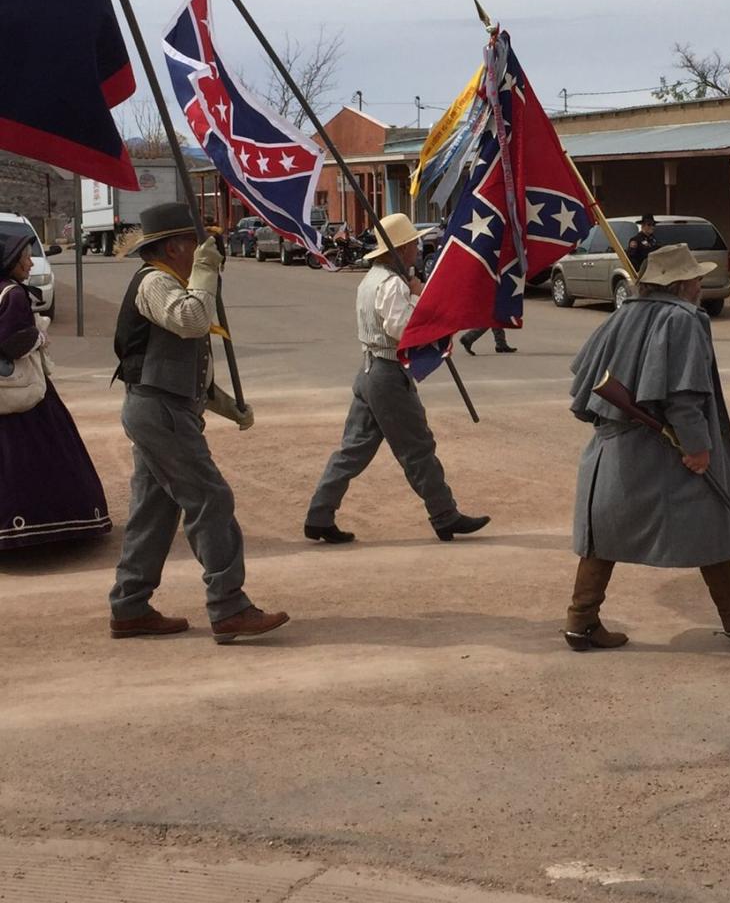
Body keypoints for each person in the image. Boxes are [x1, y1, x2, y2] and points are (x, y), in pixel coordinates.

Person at [563, 243, 730, 650]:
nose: (701, 283)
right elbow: (684, 395)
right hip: (655, 449)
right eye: (697, 278)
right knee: (707, 513)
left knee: (619, 530)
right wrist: (698, 446)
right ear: (683, 283)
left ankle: (583, 621)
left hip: (615, 447)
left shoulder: (625, 313)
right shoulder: (683, 319)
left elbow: (584, 382)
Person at [109, 203, 289, 643]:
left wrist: (222, 403)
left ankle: (130, 605)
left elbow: (181, 360)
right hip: (160, 411)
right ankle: (229, 606)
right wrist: (207, 273)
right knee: (211, 500)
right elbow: (190, 322)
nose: (205, 249)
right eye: (196, 243)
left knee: (153, 510)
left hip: (162, 407)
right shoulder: (155, 281)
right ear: (174, 247)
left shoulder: (172, 281)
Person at [305, 212, 490, 544]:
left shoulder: (372, 280)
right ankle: (444, 515)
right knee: (418, 448)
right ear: (399, 249)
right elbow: (402, 328)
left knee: (353, 449)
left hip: (369, 370)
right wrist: (419, 296)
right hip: (388, 374)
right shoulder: (391, 284)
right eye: (412, 244)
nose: (417, 248)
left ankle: (319, 514)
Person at [0, 232, 111, 550]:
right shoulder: (13, 294)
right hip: (22, 394)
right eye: (24, 256)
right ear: (9, 260)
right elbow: (12, 343)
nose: (30, 261)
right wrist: (39, 336)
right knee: (38, 456)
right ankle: (45, 529)